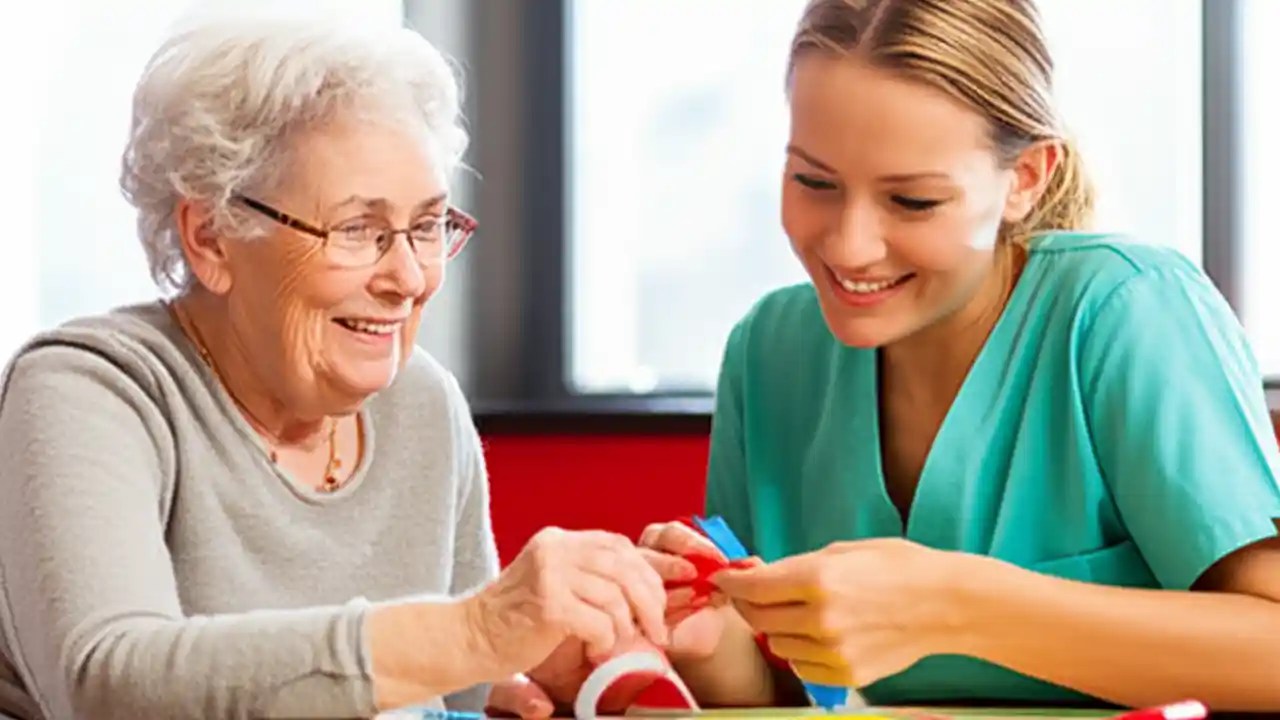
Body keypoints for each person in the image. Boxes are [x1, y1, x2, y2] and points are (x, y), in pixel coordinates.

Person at [495, 0, 1280, 715]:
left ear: (1025, 180)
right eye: (814, 181)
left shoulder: (1125, 309)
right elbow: (800, 701)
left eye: (912, 201)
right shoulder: (770, 352)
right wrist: (714, 640)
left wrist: (957, 604)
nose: (848, 245)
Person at [0, 14, 670, 720]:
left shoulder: (421, 406)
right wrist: (476, 631)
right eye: (358, 230)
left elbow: (450, 686)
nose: (409, 276)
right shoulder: (89, 392)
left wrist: (554, 660)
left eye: (427, 226)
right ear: (212, 237)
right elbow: (108, 684)